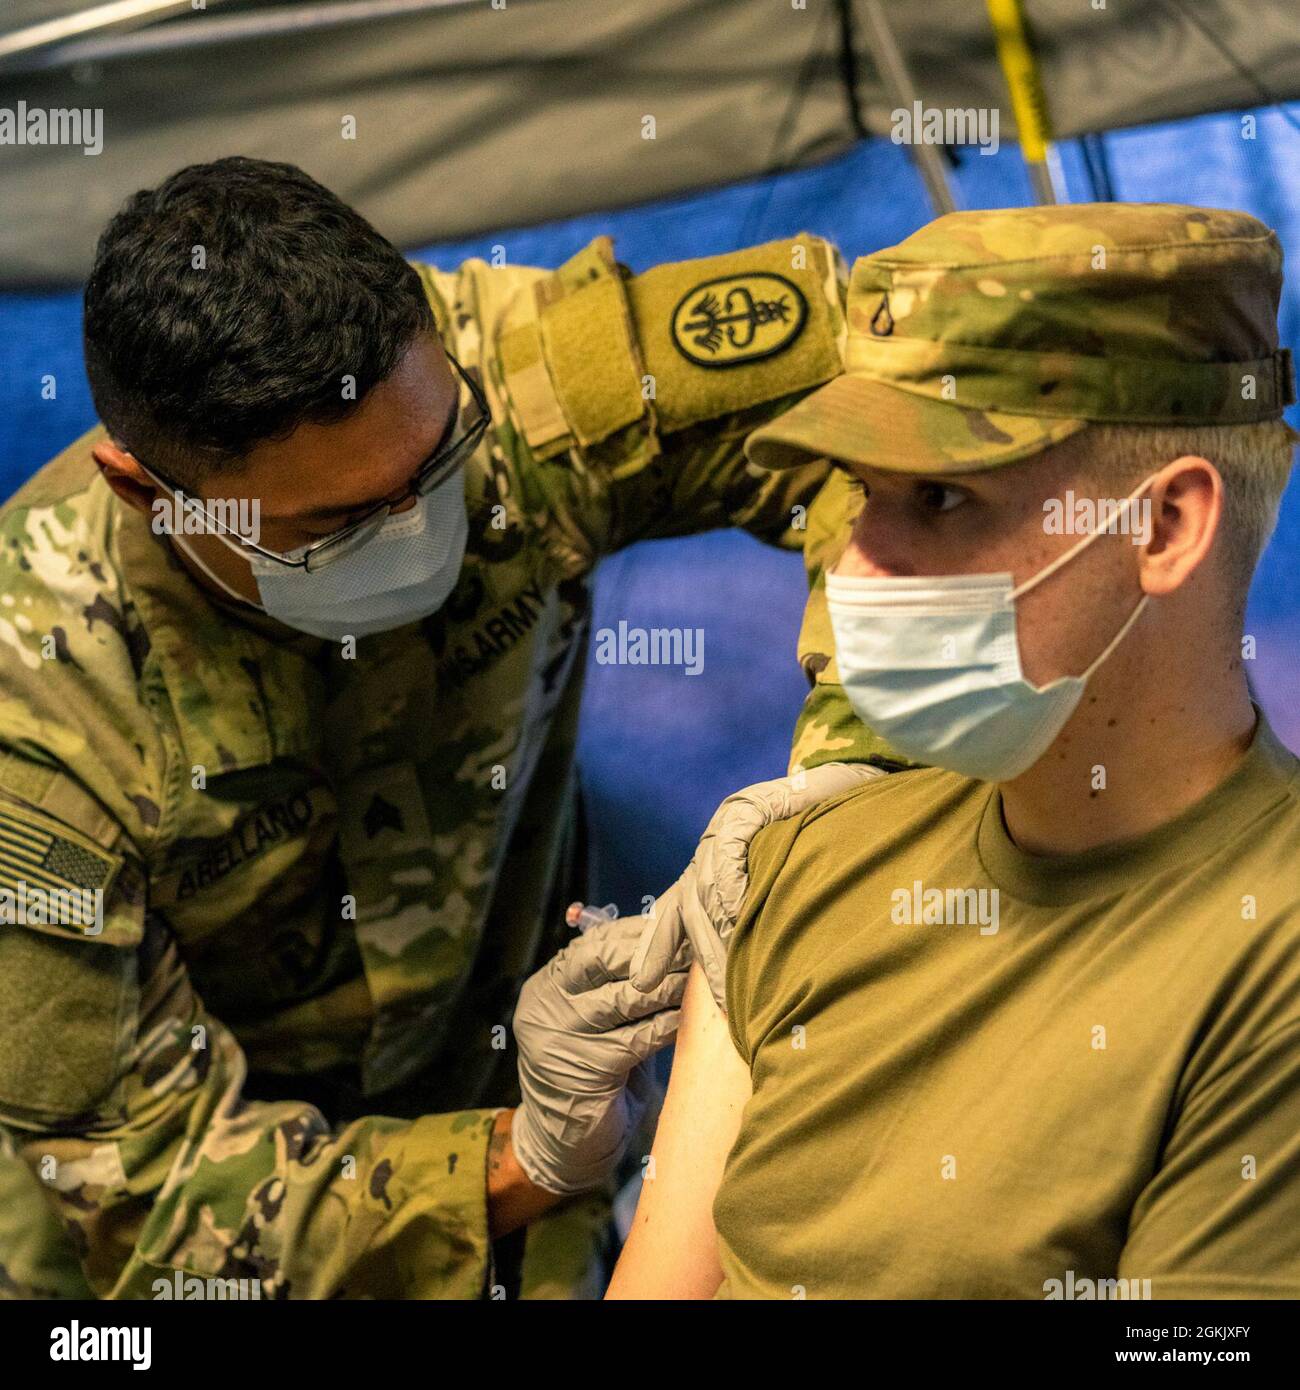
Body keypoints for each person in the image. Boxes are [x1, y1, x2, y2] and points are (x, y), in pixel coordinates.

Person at [0, 155, 875, 1300]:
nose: (420, 529)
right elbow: (154, 1197)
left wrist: (857, 749)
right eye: (341, 525)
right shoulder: (41, 723)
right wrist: (533, 1154)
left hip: (525, 1110)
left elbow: (908, 382)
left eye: (440, 466)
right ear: (146, 491)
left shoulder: (513, 383)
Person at [607, 202, 1300, 1299]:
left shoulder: (1270, 959)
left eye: (940, 497)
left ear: (1161, 528)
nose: (857, 568)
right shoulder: (797, 867)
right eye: (858, 496)